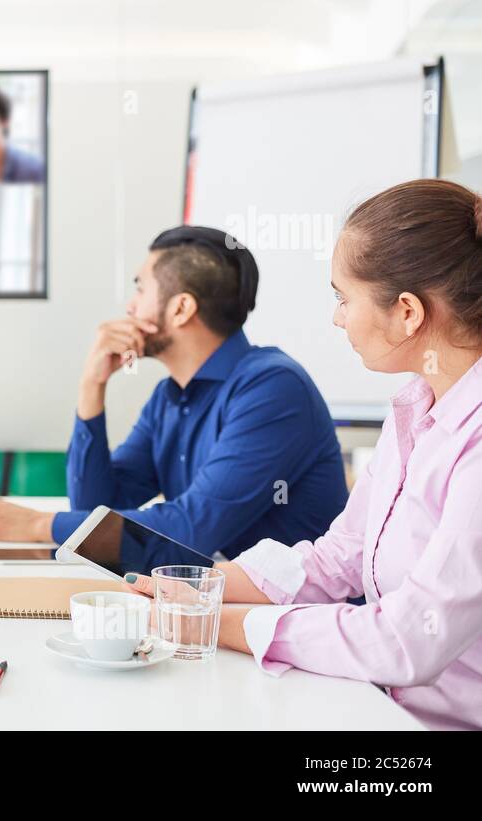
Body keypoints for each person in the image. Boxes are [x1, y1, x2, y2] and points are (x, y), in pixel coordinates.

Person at [125, 179, 482, 731]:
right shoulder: (416, 408)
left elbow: (408, 639)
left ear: (408, 312)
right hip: (379, 709)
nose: (338, 319)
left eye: (343, 298)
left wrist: (216, 622)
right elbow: (340, 557)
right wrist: (201, 588)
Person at [0, 226, 349, 567]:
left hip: (300, 618)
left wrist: (40, 524)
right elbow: (95, 510)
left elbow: (189, 532)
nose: (130, 306)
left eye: (140, 289)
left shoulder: (273, 389)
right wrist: (92, 386)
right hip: (232, 608)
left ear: (181, 309)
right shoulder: (169, 396)